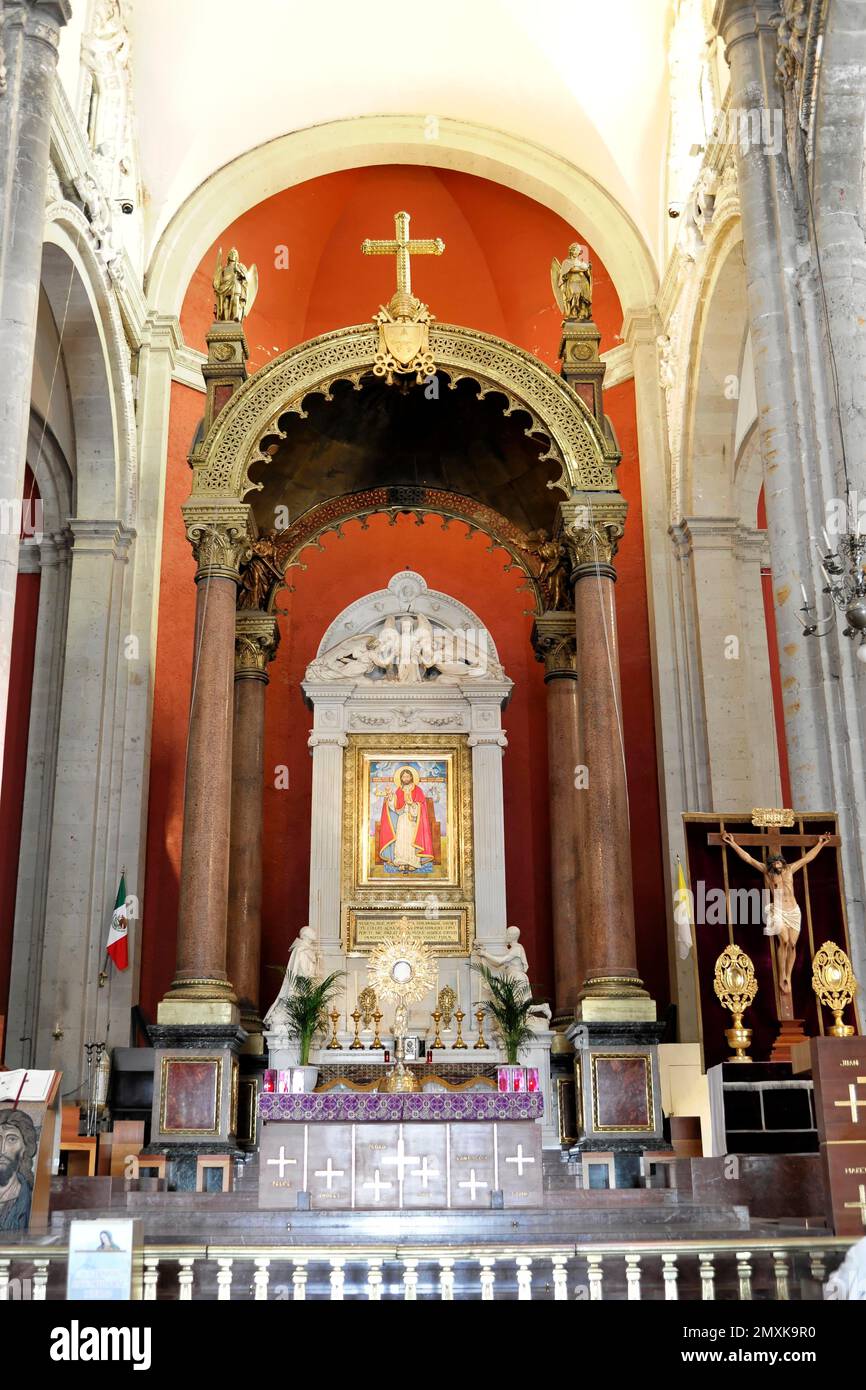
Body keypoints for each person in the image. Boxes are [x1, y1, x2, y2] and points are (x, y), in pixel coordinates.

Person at [721, 831, 833, 993]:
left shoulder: (790, 869)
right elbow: (748, 858)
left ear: (783, 863)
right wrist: (732, 843)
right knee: (785, 942)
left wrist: (821, 843)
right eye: (775, 864)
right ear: (772, 865)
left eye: (780, 863)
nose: (778, 866)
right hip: (778, 910)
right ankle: (782, 976)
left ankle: (789, 975)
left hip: (794, 911)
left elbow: (808, 858)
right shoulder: (767, 872)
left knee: (793, 946)